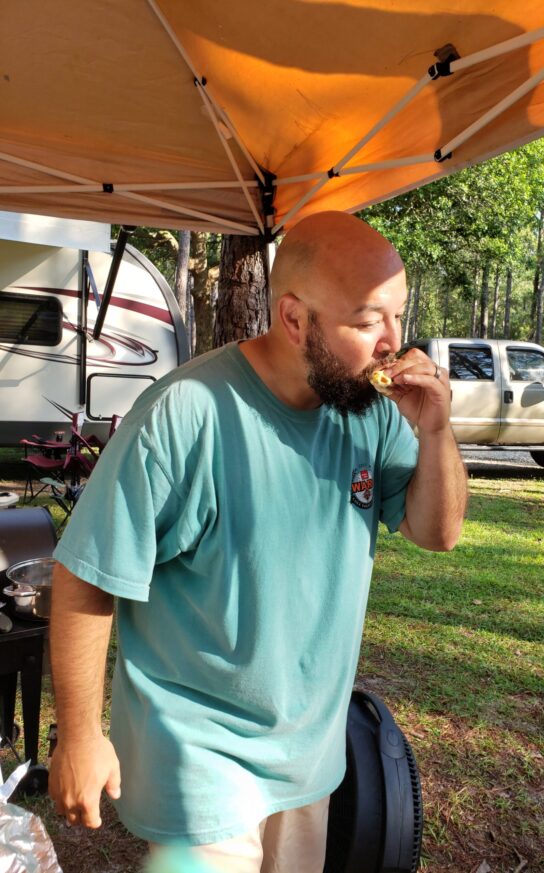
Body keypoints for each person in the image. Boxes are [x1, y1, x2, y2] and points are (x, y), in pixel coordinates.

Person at [48, 210, 468, 872]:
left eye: (397, 315)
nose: (393, 342)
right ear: (294, 318)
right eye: (368, 321)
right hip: (198, 756)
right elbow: (87, 574)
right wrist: (79, 734)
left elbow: (437, 532)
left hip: (309, 755)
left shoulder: (367, 410)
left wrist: (436, 431)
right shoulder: (186, 414)